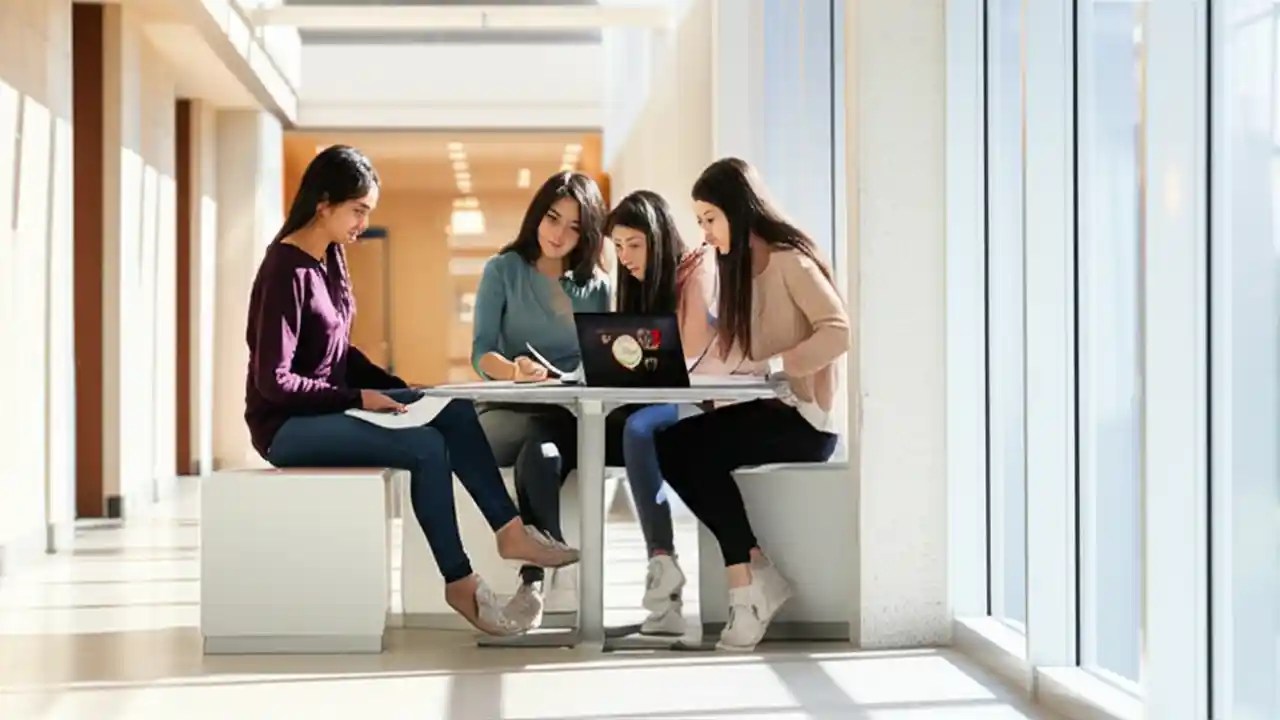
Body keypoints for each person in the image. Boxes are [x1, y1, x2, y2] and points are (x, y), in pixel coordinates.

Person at [244, 145, 579, 637]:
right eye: (358, 211)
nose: (362, 223)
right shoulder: (285, 270)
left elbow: (340, 355)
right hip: (286, 427)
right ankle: (459, 581)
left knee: (453, 410)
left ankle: (510, 532)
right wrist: (359, 398)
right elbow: (274, 382)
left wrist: (403, 390)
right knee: (425, 447)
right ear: (324, 203)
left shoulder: (331, 259)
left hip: (328, 408)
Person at [654, 158, 850, 651]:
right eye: (699, 220)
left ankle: (749, 588)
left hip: (807, 422)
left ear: (738, 211)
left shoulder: (790, 261)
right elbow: (738, 348)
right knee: (674, 445)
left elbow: (839, 330)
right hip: (776, 409)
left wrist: (790, 369)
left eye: (709, 218)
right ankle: (753, 571)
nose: (704, 230)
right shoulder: (743, 269)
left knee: (686, 450)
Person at [604, 189, 764, 636]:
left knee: (638, 430)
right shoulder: (638, 284)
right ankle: (664, 586)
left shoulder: (696, 270)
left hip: (708, 394)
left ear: (657, 237)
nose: (625, 256)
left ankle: (662, 566)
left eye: (634, 245)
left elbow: (690, 350)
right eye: (617, 247)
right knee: (616, 426)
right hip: (669, 392)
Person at [470, 171, 611, 628]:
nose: (558, 233)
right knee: (533, 435)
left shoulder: (597, 287)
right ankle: (549, 568)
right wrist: (515, 371)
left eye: (574, 227)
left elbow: (604, 358)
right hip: (509, 410)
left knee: (543, 450)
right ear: (538, 214)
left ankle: (532, 582)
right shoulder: (502, 271)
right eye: (553, 218)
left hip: (568, 414)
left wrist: (574, 378)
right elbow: (481, 354)